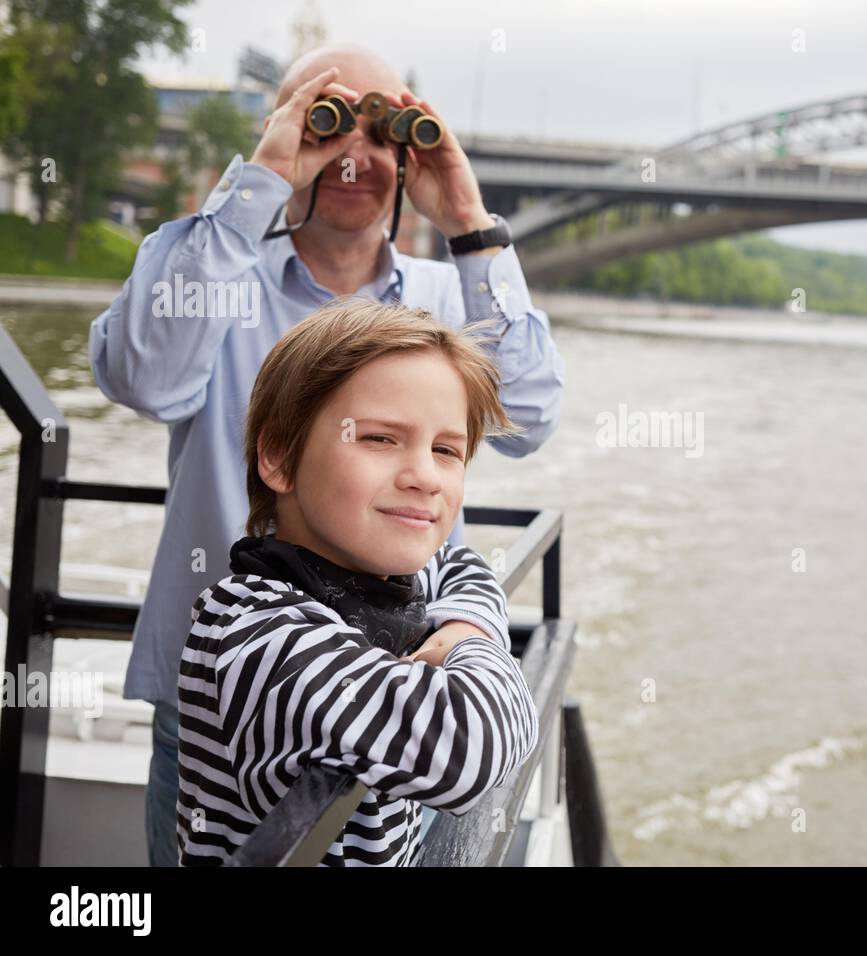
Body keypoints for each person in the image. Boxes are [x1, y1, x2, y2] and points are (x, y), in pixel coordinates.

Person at [86, 44, 564, 866]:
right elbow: (140, 374)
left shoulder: (447, 297)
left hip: (402, 688)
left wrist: (467, 219)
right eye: (324, 120)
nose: (355, 154)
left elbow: (526, 416)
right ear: (281, 133)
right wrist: (260, 180)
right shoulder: (222, 275)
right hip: (233, 691)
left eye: (385, 131)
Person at [178, 299, 539, 866]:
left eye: (446, 450)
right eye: (378, 439)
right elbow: (474, 747)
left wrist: (463, 619)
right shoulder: (263, 634)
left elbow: (459, 562)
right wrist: (475, 644)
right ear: (279, 456)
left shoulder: (381, 574)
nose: (423, 476)